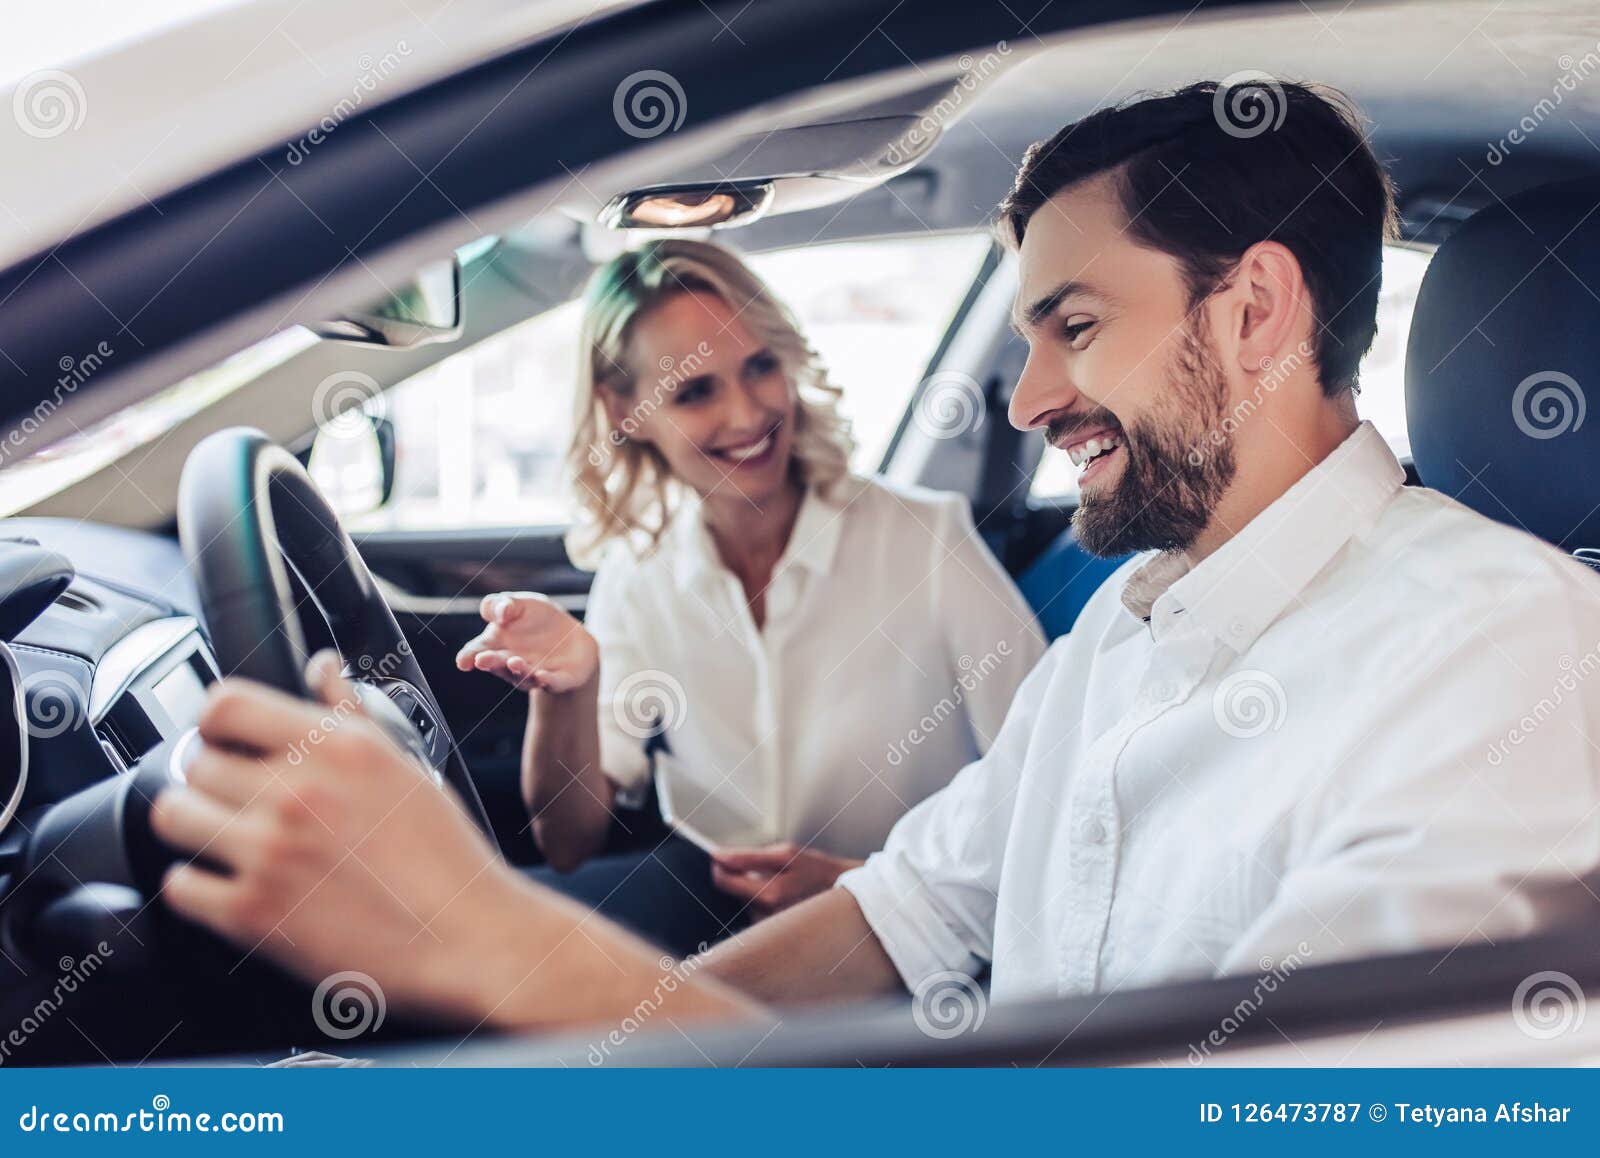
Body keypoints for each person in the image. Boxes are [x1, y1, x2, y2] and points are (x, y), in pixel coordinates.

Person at [152, 78, 1600, 1032]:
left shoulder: (1509, 658)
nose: (1028, 400)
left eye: (1076, 326)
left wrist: (494, 943)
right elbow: (896, 914)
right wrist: (572, 1043)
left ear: (1254, 312)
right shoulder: (1127, 629)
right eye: (1030, 337)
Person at [448, 238, 1045, 954]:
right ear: (624, 409)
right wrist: (564, 694)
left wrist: (866, 885)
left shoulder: (925, 537)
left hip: (918, 922)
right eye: (695, 391)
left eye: (760, 367)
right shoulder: (638, 574)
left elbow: (1049, 779)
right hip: (714, 908)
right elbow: (568, 841)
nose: (747, 415)